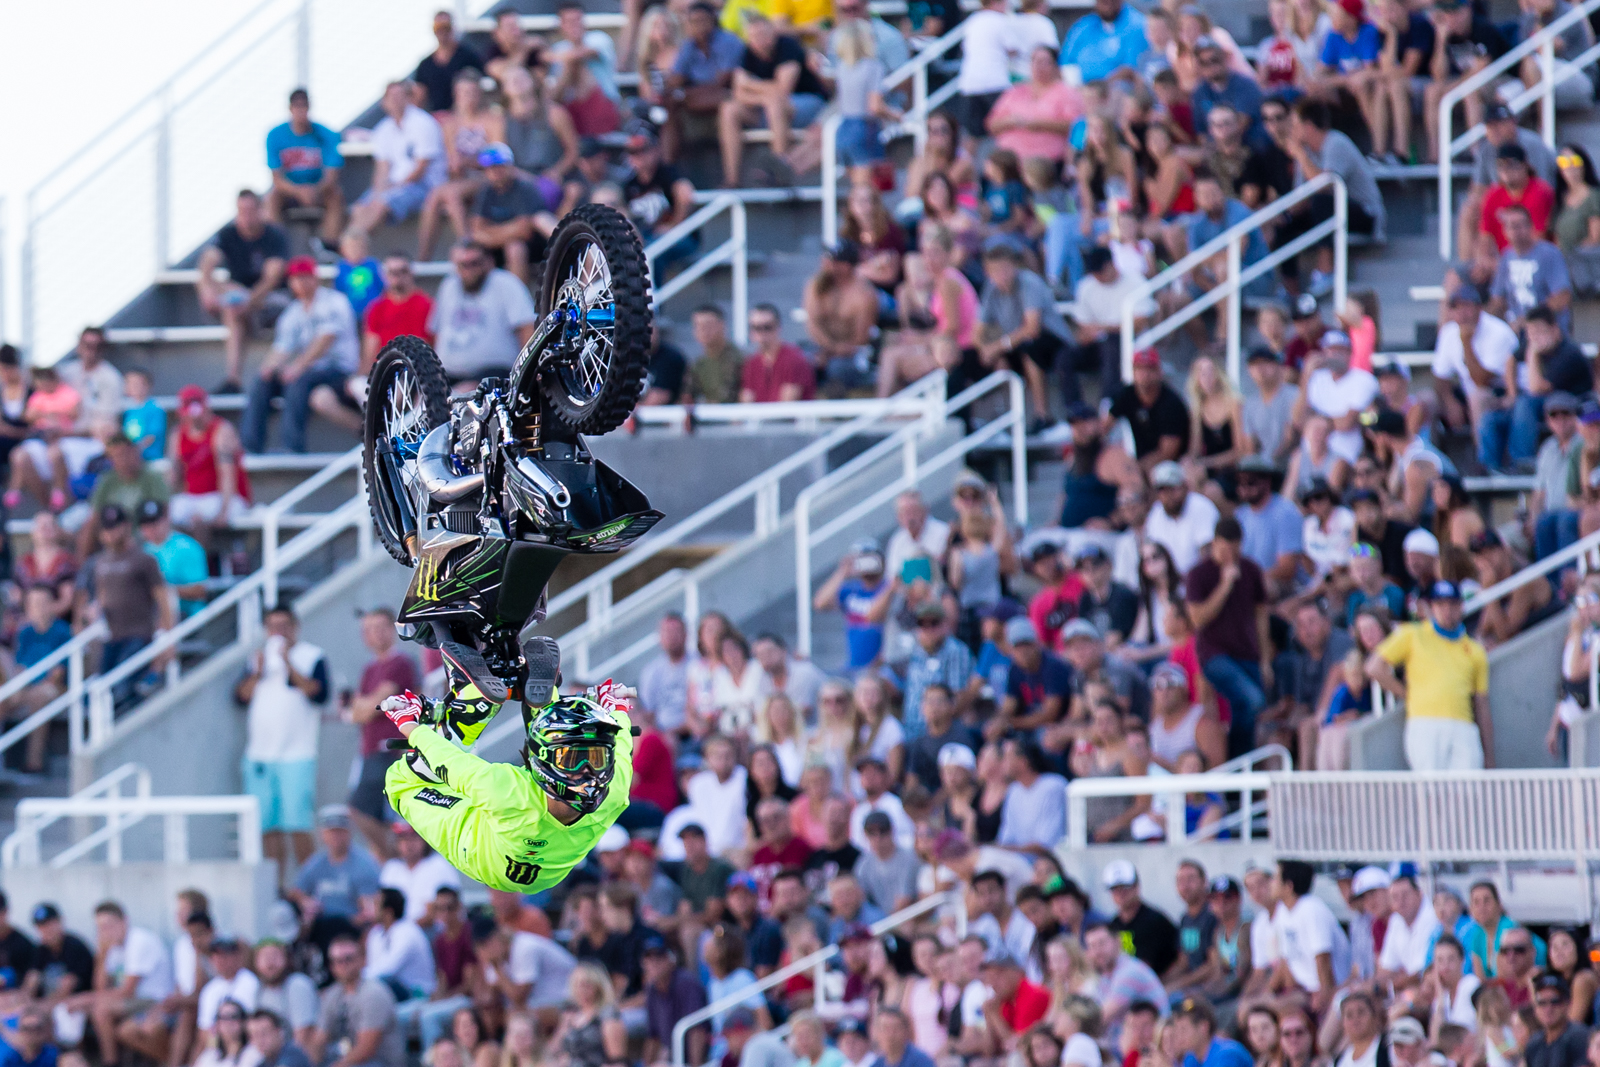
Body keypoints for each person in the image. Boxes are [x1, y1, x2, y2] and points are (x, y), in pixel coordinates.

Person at [380, 674, 637, 892]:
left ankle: (454, 732)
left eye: (594, 759)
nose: (588, 772)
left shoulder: (506, 792)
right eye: (573, 759)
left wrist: (409, 723)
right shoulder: (616, 787)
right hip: (547, 871)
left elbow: (450, 763)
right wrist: (618, 708)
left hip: (480, 852)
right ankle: (545, 709)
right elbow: (621, 740)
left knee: (399, 782)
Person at [237, 605, 330, 876]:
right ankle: (276, 887)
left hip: (297, 754)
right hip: (260, 756)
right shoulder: (257, 659)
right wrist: (257, 671)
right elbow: (241, 697)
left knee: (298, 824)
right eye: (272, 626)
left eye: (284, 625)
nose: (278, 632)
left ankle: (308, 888)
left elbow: (318, 693)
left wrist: (288, 662)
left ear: (295, 626)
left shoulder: (312, 656)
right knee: (267, 827)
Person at [1367, 579, 1494, 770]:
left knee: (1468, 795)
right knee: (1430, 794)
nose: (1446, 610)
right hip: (1425, 724)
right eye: (1440, 604)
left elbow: (1481, 703)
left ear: (1461, 606)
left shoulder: (1475, 650)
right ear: (1431, 607)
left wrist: (1489, 756)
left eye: (1452, 604)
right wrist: (1405, 694)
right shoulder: (1412, 634)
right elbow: (1374, 667)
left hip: (1464, 725)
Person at [242, 255, 359, 454]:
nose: (301, 283)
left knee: (298, 380)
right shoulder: (293, 311)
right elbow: (282, 347)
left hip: (339, 370)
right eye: (296, 278)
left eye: (305, 277)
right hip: (310, 371)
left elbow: (325, 339)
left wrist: (296, 367)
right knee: (262, 382)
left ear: (315, 278)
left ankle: (292, 447)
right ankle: (250, 446)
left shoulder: (334, 301)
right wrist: (268, 369)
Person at [1185, 517, 1270, 757]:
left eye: (1234, 547)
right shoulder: (1198, 574)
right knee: (1253, 700)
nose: (1229, 553)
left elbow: (1261, 616)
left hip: (1247, 652)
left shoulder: (1251, 570)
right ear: (1214, 543)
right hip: (1215, 655)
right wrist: (1224, 585)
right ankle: (1235, 760)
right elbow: (1197, 618)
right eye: (1223, 547)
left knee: (1248, 714)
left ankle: (1237, 772)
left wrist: (1264, 659)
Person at [195, 190, 290, 394]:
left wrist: (247, 299)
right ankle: (233, 380)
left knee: (235, 304)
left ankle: (267, 378)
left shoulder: (273, 235)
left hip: (271, 300)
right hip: (240, 300)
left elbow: (272, 278)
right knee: (231, 304)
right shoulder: (228, 234)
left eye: (250, 210)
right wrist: (206, 288)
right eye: (241, 211)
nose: (246, 216)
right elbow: (207, 262)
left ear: (260, 210)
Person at [345, 608, 422, 858]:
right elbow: (358, 712)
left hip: (391, 749)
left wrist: (364, 706)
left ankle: (394, 858)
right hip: (371, 752)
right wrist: (364, 707)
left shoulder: (400, 663)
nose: (374, 634)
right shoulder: (370, 669)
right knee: (374, 814)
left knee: (363, 809)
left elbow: (369, 708)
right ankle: (392, 861)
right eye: (368, 629)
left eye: (380, 627)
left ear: (392, 629)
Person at [718, 14, 827, 186]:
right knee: (729, 109)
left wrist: (750, 84)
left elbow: (783, 89)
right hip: (769, 107)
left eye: (763, 34)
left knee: (775, 102)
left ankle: (779, 169)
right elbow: (738, 93)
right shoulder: (747, 53)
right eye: (754, 36)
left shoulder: (787, 46)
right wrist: (762, 93)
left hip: (808, 103)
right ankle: (732, 180)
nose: (759, 40)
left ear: (772, 33)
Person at [429, 241, 537, 384]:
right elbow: (437, 333)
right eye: (463, 265)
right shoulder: (448, 285)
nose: (468, 270)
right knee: (421, 395)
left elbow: (526, 329)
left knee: (461, 393)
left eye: (474, 263)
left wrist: (526, 375)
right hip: (449, 372)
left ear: (489, 262)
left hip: (494, 372)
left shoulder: (506, 284)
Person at [349, 81, 447, 234]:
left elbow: (421, 169)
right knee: (360, 207)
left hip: (424, 186)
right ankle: (349, 250)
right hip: (395, 185)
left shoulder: (424, 123)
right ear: (384, 101)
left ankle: (350, 248)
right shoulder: (383, 129)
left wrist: (391, 189)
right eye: (391, 96)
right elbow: (382, 169)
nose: (395, 100)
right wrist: (378, 191)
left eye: (399, 95)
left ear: (409, 98)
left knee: (381, 204)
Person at [307, 935, 405, 1067]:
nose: (343, 965)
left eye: (348, 959)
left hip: (379, 1062)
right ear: (332, 966)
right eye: (337, 961)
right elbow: (319, 1039)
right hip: (346, 1059)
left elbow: (367, 1049)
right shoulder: (332, 994)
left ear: (362, 960)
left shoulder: (374, 993)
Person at [167, 386, 252, 536]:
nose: (194, 418)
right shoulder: (177, 434)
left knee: (202, 517)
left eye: (198, 414)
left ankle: (206, 558)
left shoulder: (221, 430)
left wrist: (224, 511)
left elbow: (227, 475)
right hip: (193, 497)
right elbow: (174, 477)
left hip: (223, 495)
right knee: (167, 514)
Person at [265, 88, 345, 247]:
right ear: (290, 108)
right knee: (271, 198)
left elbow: (331, 175)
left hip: (319, 190)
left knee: (336, 195)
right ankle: (274, 246)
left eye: (304, 106)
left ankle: (330, 246)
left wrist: (314, 190)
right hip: (289, 191)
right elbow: (277, 178)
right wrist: (298, 191)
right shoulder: (275, 135)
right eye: (297, 106)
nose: (301, 111)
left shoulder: (326, 134)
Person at [468, 144, 556, 284]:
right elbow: (476, 231)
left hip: (535, 247)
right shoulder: (485, 191)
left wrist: (490, 233)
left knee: (514, 248)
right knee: (471, 253)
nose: (495, 171)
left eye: (499, 166)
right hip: (497, 247)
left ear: (510, 166)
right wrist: (503, 232)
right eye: (490, 167)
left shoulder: (524, 187)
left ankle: (519, 301)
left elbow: (524, 231)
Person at [1273, 861, 1350, 1015]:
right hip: (1301, 990)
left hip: (1326, 991)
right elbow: (1287, 960)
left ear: (1288, 886)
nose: (1271, 883)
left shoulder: (1311, 909)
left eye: (1275, 878)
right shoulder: (1282, 911)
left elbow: (1323, 960)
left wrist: (1324, 999)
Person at [1111, 350, 1192, 474]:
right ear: (1133, 371)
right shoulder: (1127, 394)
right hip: (1142, 462)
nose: (1144, 374)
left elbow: (1168, 452)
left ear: (1159, 372)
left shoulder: (1171, 403)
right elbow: (1103, 427)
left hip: (1175, 465)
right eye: (1139, 369)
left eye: (1149, 369)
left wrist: (1136, 468)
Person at [740, 304, 816, 402]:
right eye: (756, 328)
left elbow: (786, 407)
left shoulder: (793, 359)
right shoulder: (752, 363)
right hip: (761, 416)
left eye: (767, 327)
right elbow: (746, 403)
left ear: (778, 327)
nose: (762, 333)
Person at [687, 305, 745, 404]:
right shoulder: (699, 364)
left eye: (708, 325)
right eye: (698, 326)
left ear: (722, 326)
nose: (703, 330)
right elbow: (689, 394)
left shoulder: (740, 359)